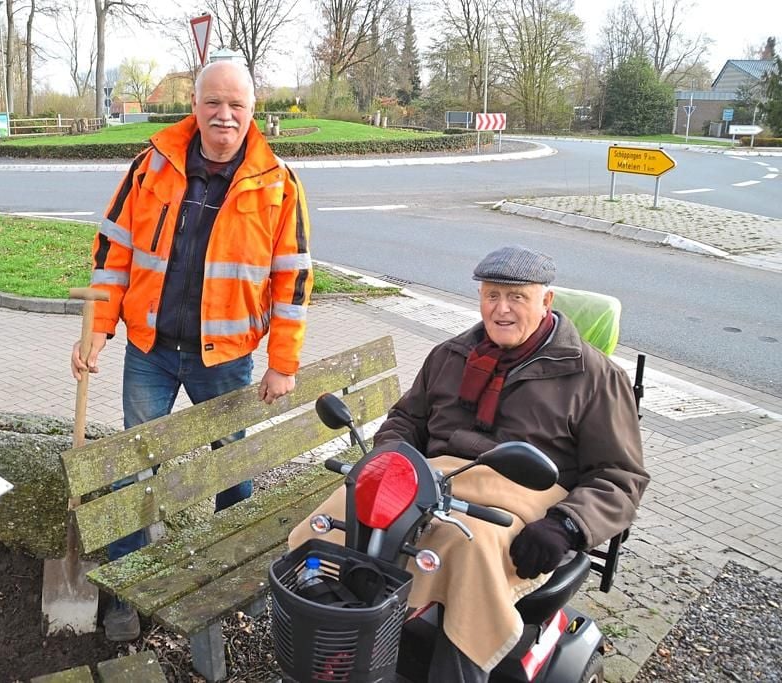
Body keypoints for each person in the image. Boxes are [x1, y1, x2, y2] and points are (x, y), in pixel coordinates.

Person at [290, 245, 647, 682]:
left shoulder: (594, 376)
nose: (502, 309)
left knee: (468, 552)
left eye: (517, 297)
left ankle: (459, 669)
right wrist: (389, 459)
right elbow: (407, 419)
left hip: (524, 494)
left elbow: (620, 476)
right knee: (330, 523)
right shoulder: (450, 355)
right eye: (492, 295)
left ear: (546, 301)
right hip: (434, 482)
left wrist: (567, 525)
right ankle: (333, 656)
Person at [71, 60, 313, 641]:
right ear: (196, 105)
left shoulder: (278, 183)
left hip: (225, 358)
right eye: (213, 103)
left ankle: (232, 576)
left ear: (252, 111)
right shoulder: (151, 165)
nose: (224, 115)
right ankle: (126, 586)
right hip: (150, 350)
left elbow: (293, 278)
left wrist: (283, 363)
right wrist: (98, 328)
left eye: (236, 105)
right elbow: (114, 248)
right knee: (134, 468)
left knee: (233, 469)